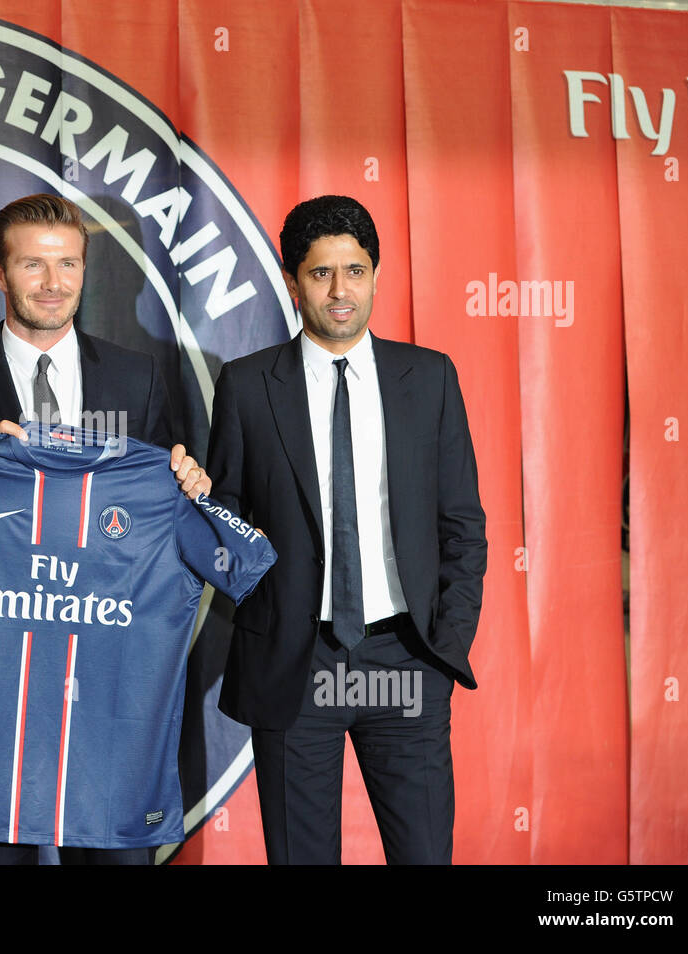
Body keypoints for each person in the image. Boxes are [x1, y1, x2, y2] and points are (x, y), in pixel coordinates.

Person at [0, 193, 211, 864]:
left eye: (68, 263)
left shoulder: (139, 379)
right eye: (33, 264)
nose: (53, 282)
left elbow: (162, 517)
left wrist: (191, 483)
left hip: (108, 680)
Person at [206, 194, 488, 864]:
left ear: (376, 273)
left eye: (355, 271)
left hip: (405, 658)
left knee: (424, 854)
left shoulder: (430, 377)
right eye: (321, 273)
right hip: (295, 668)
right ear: (292, 282)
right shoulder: (247, 387)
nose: (341, 291)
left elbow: (462, 525)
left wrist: (443, 647)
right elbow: (224, 523)